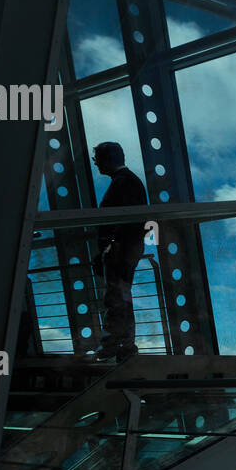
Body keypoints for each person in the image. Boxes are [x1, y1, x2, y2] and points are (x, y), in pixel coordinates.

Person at [89, 141, 147, 362]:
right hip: (124, 247)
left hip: (121, 248)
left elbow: (127, 221)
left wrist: (110, 245)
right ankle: (124, 343)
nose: (96, 165)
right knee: (121, 296)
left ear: (108, 159)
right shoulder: (128, 181)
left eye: (97, 160)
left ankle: (113, 344)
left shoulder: (123, 182)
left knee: (116, 296)